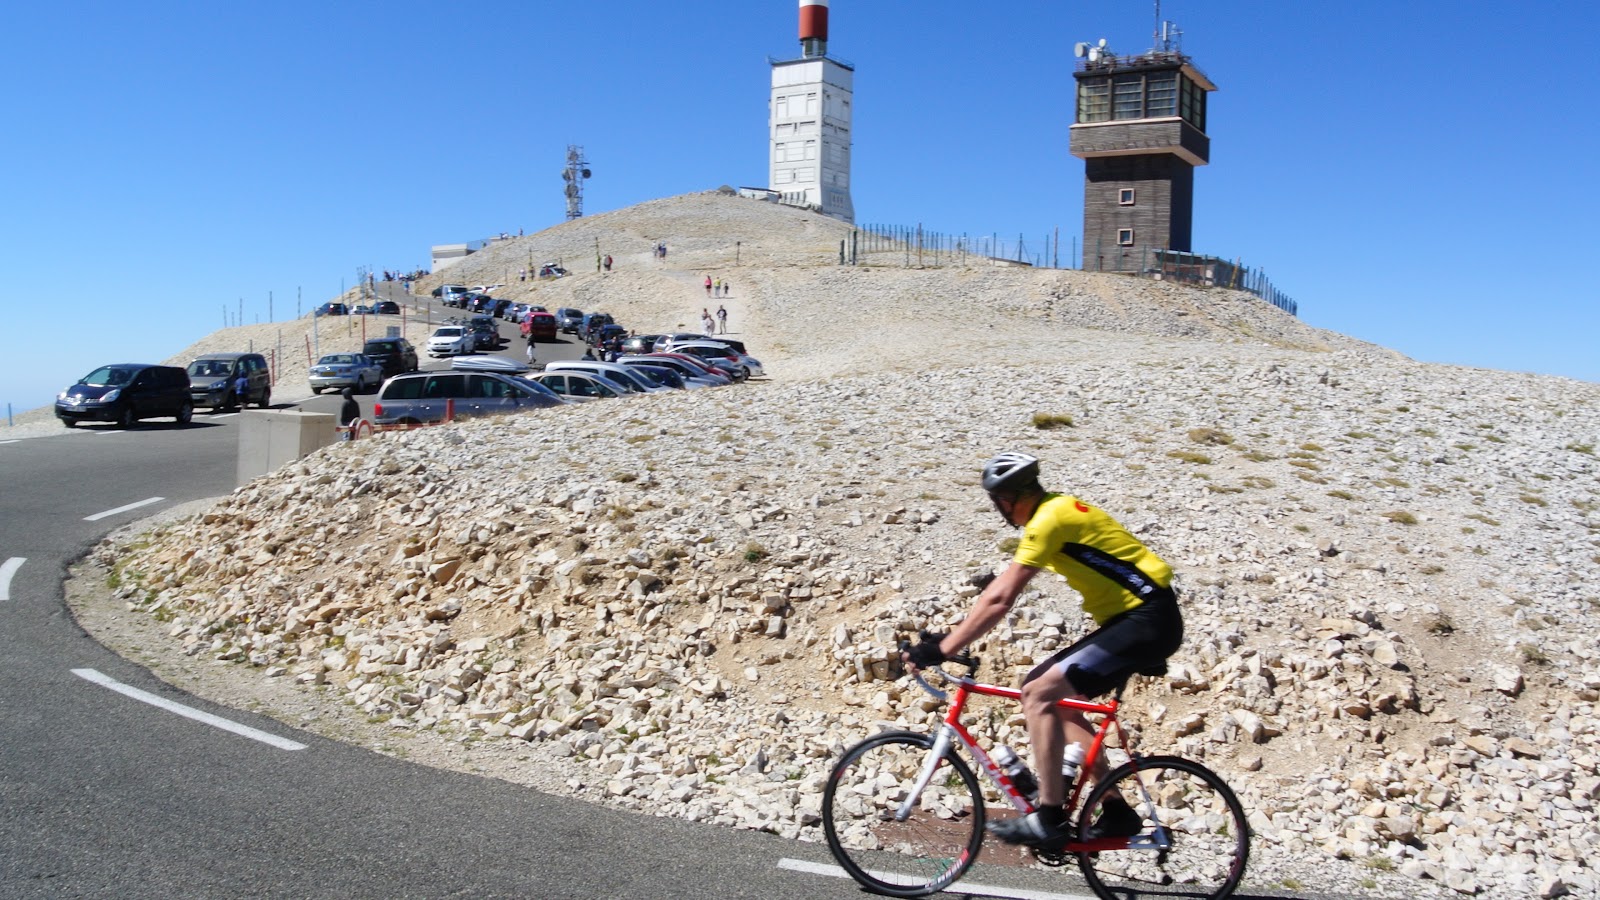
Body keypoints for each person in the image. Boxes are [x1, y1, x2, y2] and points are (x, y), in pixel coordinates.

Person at [903, 452, 1184, 849]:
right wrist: (946, 640)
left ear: (1008, 498)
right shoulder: (1057, 509)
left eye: (997, 502)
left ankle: (1048, 817)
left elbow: (1001, 598)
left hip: (1145, 620)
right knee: (1059, 702)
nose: (998, 510)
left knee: (1037, 692)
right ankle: (1116, 809)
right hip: (1142, 619)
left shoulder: (1048, 520)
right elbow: (996, 590)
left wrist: (944, 648)